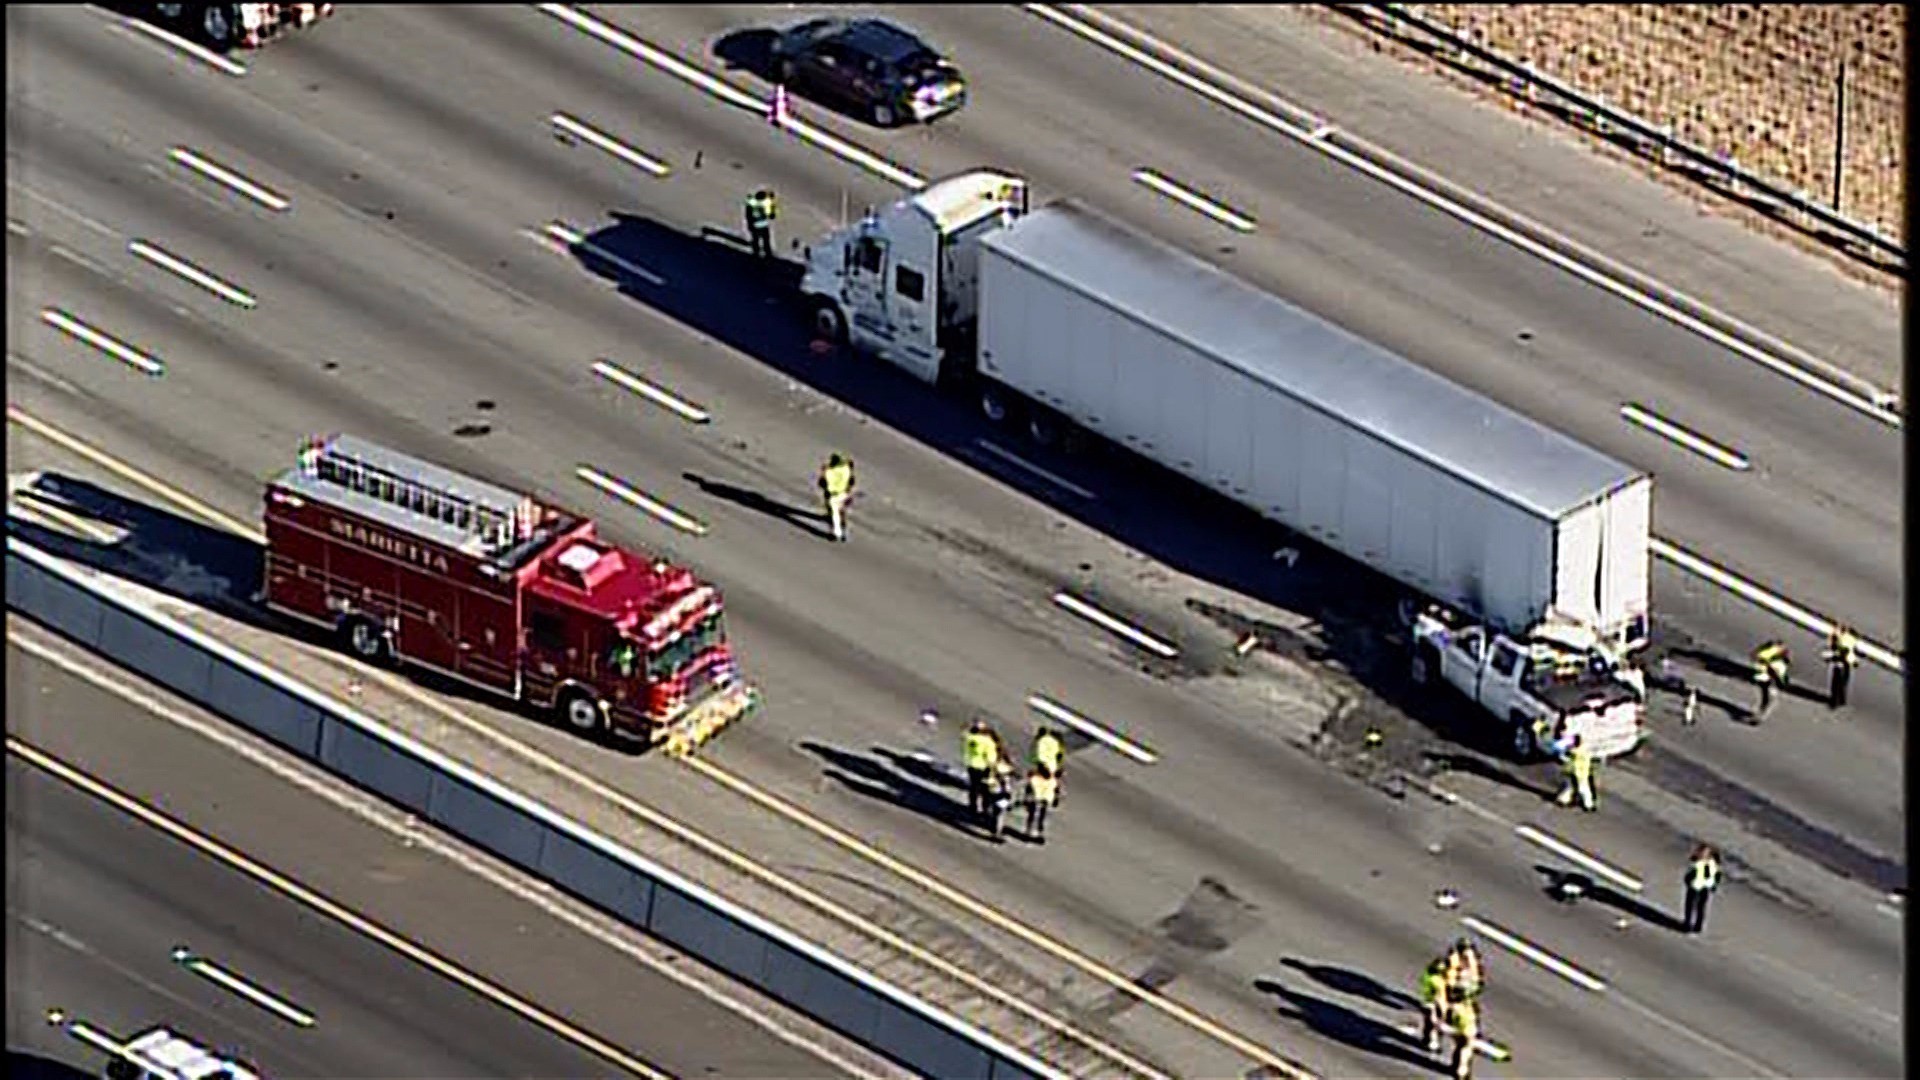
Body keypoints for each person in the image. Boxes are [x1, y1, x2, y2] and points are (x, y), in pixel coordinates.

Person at [962, 718, 999, 820]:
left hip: (971, 765)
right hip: (983, 767)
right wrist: (993, 769)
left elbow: (965, 733)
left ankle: (972, 806)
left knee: (973, 787)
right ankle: (984, 809)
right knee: (985, 790)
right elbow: (990, 758)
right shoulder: (987, 742)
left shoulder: (970, 738)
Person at [1682, 843, 1722, 935]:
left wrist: (1713, 886)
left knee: (1696, 906)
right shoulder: (1709, 864)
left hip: (1699, 886)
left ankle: (1694, 925)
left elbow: (1716, 876)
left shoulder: (1704, 864)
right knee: (1696, 906)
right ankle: (1691, 925)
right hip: (1699, 886)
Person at [817, 453, 855, 542]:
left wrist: (823, 472)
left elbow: (822, 483)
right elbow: (851, 481)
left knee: (834, 513)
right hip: (844, 493)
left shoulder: (829, 471)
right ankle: (843, 530)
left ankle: (835, 533)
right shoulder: (846, 469)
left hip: (833, 494)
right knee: (841, 512)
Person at [1554, 734, 1596, 812]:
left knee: (1576, 787)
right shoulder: (1583, 751)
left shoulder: (1574, 752)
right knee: (1580, 788)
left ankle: (1564, 800)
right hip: (1580, 773)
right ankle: (1588, 805)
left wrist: (1563, 755)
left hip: (1576, 772)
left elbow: (1566, 759)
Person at [1418, 954, 1451, 1053]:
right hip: (1434, 1003)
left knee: (1430, 1022)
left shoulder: (1428, 975)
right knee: (1435, 1023)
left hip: (1427, 1001)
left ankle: (1427, 1038)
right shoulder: (1437, 981)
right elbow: (1440, 996)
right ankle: (1433, 1042)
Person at [1823, 624, 1860, 710]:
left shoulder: (1841, 639)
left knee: (1836, 681)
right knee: (1844, 681)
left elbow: (1840, 650)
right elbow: (1853, 649)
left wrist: (1832, 656)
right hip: (1847, 661)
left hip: (1841, 661)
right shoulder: (1850, 638)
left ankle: (1835, 700)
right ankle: (1842, 699)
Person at [1751, 639, 1789, 717]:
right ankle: (1760, 713)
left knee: (1767, 697)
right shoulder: (1776, 660)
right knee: (1767, 697)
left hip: (1770, 679)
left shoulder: (1779, 663)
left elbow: (1756, 656)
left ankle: (1760, 713)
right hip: (1768, 678)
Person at [1446, 996, 1481, 1080]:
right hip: (1470, 1032)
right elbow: (1476, 1018)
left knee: (1459, 1049)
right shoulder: (1471, 1005)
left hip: (1461, 1031)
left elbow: (1450, 1020)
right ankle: (1461, 1074)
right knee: (1465, 1056)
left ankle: (1456, 1068)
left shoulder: (1455, 1007)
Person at [1025, 764, 1058, 842]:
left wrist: (1026, 799)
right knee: (1040, 817)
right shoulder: (1050, 779)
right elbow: (1055, 789)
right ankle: (1037, 833)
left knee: (1033, 816)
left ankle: (1030, 831)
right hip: (1043, 800)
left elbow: (1029, 788)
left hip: (1037, 799)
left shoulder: (1036, 778)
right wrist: (1055, 799)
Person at [744, 188, 778, 259]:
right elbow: (772, 215)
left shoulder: (752, 202)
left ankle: (756, 255)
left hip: (755, 225)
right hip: (762, 225)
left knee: (756, 242)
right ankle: (767, 256)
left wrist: (749, 224)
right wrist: (772, 202)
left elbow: (748, 214)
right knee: (765, 243)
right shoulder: (765, 203)